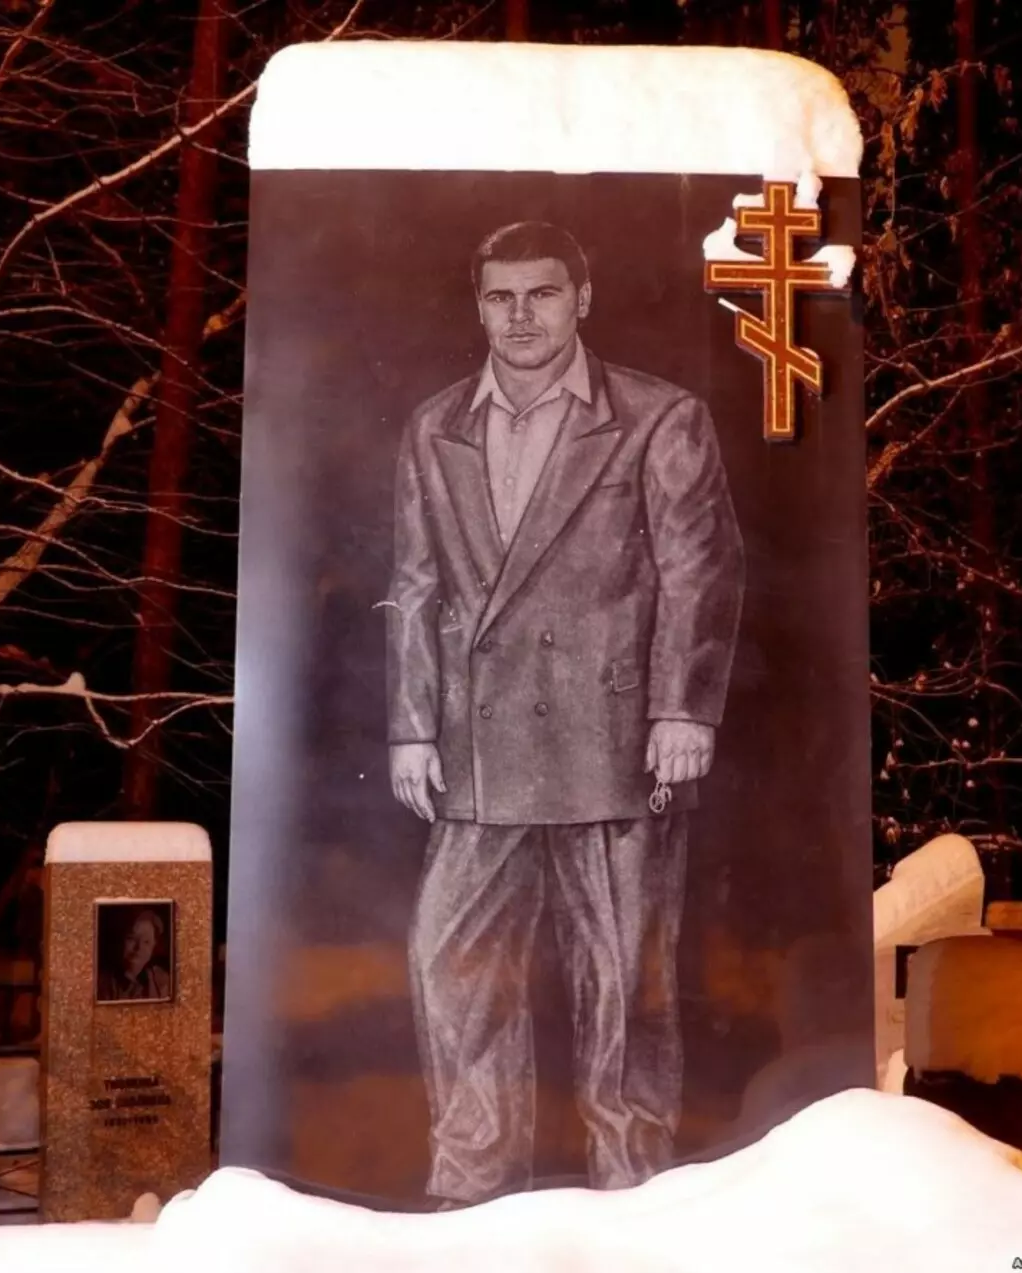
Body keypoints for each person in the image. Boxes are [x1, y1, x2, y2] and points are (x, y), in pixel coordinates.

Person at [386, 221, 744, 1205]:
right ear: (478, 306)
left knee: (625, 978)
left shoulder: (656, 417)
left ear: (582, 298)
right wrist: (412, 725)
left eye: (542, 294)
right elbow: (415, 586)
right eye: (500, 297)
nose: (521, 317)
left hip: (616, 738)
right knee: (450, 960)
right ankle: (470, 1186)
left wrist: (683, 709)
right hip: (480, 746)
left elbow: (697, 571)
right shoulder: (438, 426)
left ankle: (632, 1190)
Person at [97, 906, 171, 1002]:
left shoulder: (162, 981)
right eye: (132, 938)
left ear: (154, 945)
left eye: (146, 942)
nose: (139, 948)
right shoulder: (101, 983)